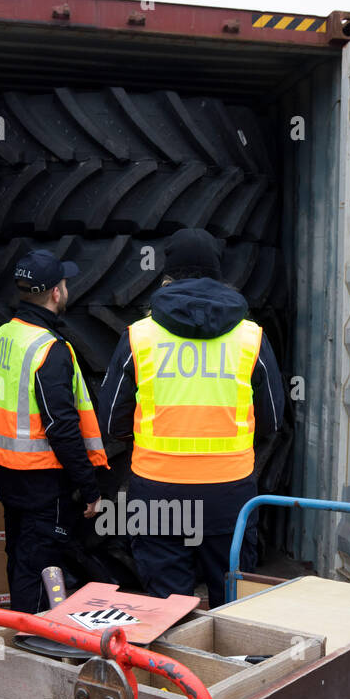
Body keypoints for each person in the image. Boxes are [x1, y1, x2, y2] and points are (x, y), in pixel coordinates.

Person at [98, 228, 285, 608]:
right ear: (218, 274)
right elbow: (273, 421)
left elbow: (112, 421)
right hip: (230, 490)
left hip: (157, 488)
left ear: (167, 275)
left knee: (167, 605)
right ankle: (232, 666)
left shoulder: (139, 336)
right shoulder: (251, 337)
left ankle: (172, 665)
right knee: (233, 596)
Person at [0, 249, 108, 612]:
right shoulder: (49, 349)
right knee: (39, 564)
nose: (66, 289)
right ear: (55, 292)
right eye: (64, 284)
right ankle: (32, 640)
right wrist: (88, 485)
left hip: (8, 473)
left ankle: (24, 629)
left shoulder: (2, 336)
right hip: (42, 480)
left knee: (21, 554)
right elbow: (61, 426)